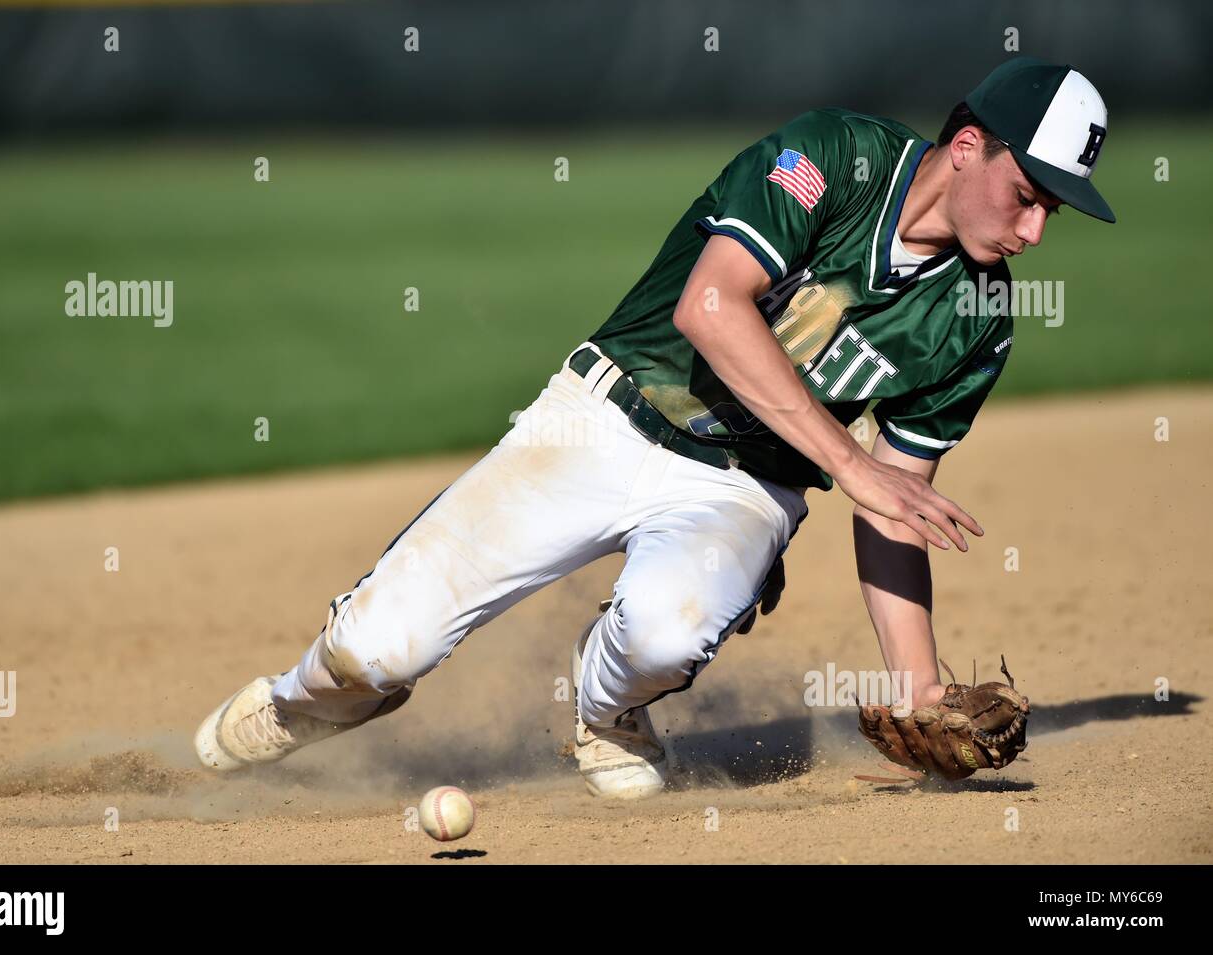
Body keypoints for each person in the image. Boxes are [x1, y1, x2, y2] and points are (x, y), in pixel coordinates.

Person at [194, 56, 1113, 799]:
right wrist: (851, 462)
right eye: (1028, 193)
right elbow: (710, 306)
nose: (1034, 230)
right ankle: (301, 702)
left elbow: (893, 501)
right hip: (605, 418)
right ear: (966, 146)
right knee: (374, 650)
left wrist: (916, 687)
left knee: (666, 634)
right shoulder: (835, 156)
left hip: (743, 485)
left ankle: (607, 711)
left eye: (1053, 211)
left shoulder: (979, 312)